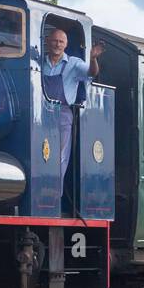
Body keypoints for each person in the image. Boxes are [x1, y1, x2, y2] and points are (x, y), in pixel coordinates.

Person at [41, 28, 103, 185]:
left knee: (59, 155)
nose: (57, 44)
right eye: (54, 40)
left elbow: (91, 72)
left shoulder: (74, 63)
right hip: (41, 111)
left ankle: (56, 192)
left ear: (66, 44)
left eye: (61, 41)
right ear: (48, 42)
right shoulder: (40, 62)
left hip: (62, 112)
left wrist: (93, 59)